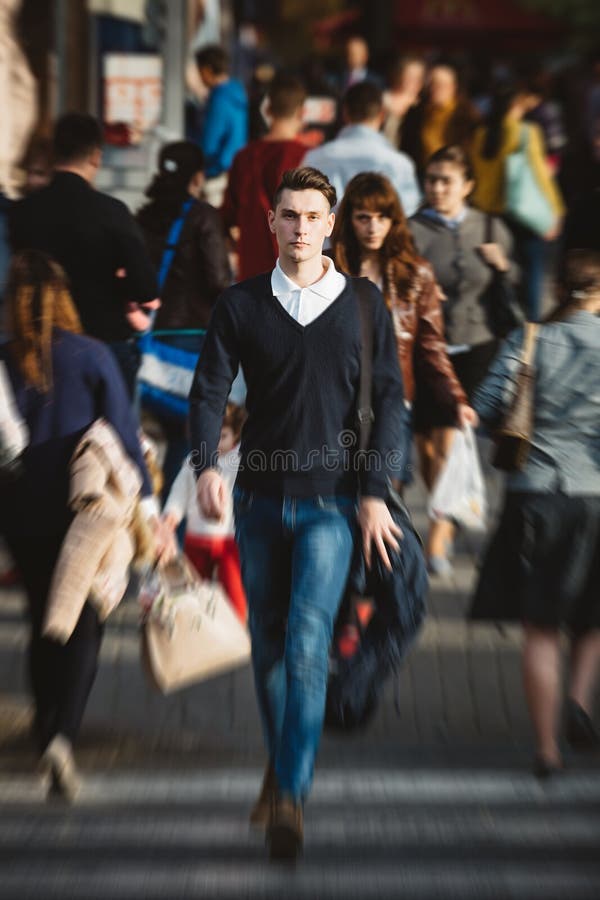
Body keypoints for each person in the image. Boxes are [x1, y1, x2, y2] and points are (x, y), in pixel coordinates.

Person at [189, 166, 404, 861]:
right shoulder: (242, 303)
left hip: (334, 504)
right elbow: (208, 388)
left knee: (309, 640)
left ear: (330, 224)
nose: (301, 228)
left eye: (313, 216)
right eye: (289, 216)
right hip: (255, 500)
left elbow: (392, 405)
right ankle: (284, 767)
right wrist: (204, 468)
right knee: (269, 645)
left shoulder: (366, 306)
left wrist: (374, 492)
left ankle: (290, 794)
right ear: (272, 222)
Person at [0, 249, 164, 800]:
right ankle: (62, 738)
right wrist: (150, 515)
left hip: (20, 510)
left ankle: (47, 726)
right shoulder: (93, 356)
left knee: (44, 614)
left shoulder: (4, 359)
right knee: (85, 620)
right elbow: (121, 436)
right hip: (85, 512)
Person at [471, 249, 600, 776]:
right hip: (595, 498)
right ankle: (580, 701)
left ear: (557, 291)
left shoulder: (527, 340)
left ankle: (546, 750)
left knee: (541, 627)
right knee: (592, 615)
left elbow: (482, 410)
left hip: (533, 496)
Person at [409, 145, 518, 575]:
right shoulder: (412, 229)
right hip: (426, 347)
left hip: (477, 345)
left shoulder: (491, 226)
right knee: (427, 448)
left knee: (452, 438)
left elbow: (508, 287)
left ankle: (438, 534)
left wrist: (502, 265)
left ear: (467, 186)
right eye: (431, 179)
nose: (436, 188)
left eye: (446, 180)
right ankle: (450, 510)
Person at [331, 171, 477, 490]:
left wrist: (456, 399)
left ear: (394, 220)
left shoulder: (416, 272)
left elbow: (430, 345)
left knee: (386, 498)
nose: (373, 227)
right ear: (349, 220)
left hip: (392, 403)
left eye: (382, 218)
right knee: (338, 499)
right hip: (335, 404)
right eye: (363, 218)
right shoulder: (327, 269)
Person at [8, 113, 158, 398]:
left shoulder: (22, 213)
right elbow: (146, 287)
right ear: (96, 157)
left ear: (53, 155)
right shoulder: (112, 212)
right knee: (109, 436)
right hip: (104, 344)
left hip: (36, 345)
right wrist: (115, 282)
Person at [137, 140, 231, 497]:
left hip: (152, 341)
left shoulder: (144, 216)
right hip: (192, 341)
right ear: (197, 178)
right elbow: (218, 280)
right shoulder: (203, 216)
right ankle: (168, 532)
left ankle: (154, 517)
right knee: (191, 437)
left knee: (164, 437)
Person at [470, 79, 565, 322]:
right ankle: (531, 325)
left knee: (498, 270)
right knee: (533, 269)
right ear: (515, 105)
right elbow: (540, 175)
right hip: (523, 212)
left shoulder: (481, 135)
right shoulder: (526, 132)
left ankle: (501, 319)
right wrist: (555, 209)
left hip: (489, 213)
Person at [163, 402, 247, 622]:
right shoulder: (194, 461)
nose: (217, 443)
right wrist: (171, 516)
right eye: (212, 435)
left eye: (224, 436)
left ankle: (236, 634)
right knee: (193, 591)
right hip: (197, 537)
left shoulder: (238, 461)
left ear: (235, 435)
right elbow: (179, 493)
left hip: (229, 539)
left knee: (235, 592)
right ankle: (197, 628)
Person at [222, 73, 308, 280]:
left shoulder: (244, 157)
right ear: (302, 112)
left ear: (268, 110)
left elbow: (227, 215)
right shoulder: (307, 157)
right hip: (297, 269)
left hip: (253, 267)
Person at [304, 81, 421, 217]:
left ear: (345, 112)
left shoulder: (315, 158)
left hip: (327, 237)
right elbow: (408, 215)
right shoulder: (400, 164)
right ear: (382, 115)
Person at [401, 62, 480, 178]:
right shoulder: (416, 113)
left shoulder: (466, 116)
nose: (434, 90)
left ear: (453, 87)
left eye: (440, 85)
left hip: (454, 175)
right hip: (422, 174)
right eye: (431, 85)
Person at [195, 44, 248, 208]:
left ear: (208, 70)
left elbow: (210, 143)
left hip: (217, 173)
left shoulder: (219, 100)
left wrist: (200, 168)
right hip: (234, 170)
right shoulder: (236, 94)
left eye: (200, 71)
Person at [382, 55, 427, 150]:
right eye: (409, 75)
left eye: (418, 76)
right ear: (399, 75)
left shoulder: (424, 105)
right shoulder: (384, 99)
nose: (414, 80)